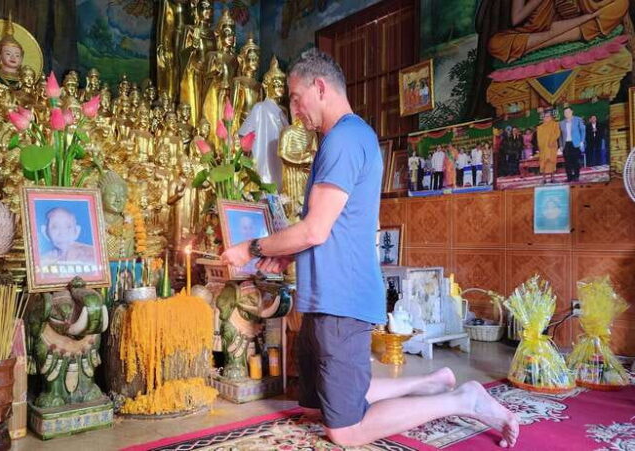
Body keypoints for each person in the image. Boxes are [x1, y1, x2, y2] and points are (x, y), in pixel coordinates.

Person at [220, 48, 518, 448]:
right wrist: (284, 252)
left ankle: (462, 398)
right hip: (323, 298)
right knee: (313, 406)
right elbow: (333, 227)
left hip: (342, 301)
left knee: (345, 430)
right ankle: (432, 381)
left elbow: (314, 231)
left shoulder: (344, 138)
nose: (293, 110)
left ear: (320, 87)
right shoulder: (340, 139)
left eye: (295, 97)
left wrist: (251, 248)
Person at [559, 107, 585, 182]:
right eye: (565, 113)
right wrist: (560, 145)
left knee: (576, 161)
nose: (567, 114)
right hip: (566, 144)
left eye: (568, 112)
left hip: (576, 144)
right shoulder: (561, 123)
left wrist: (582, 141)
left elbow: (583, 131)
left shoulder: (578, 120)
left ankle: (576, 176)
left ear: (572, 112)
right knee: (567, 162)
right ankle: (569, 177)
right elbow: (560, 135)